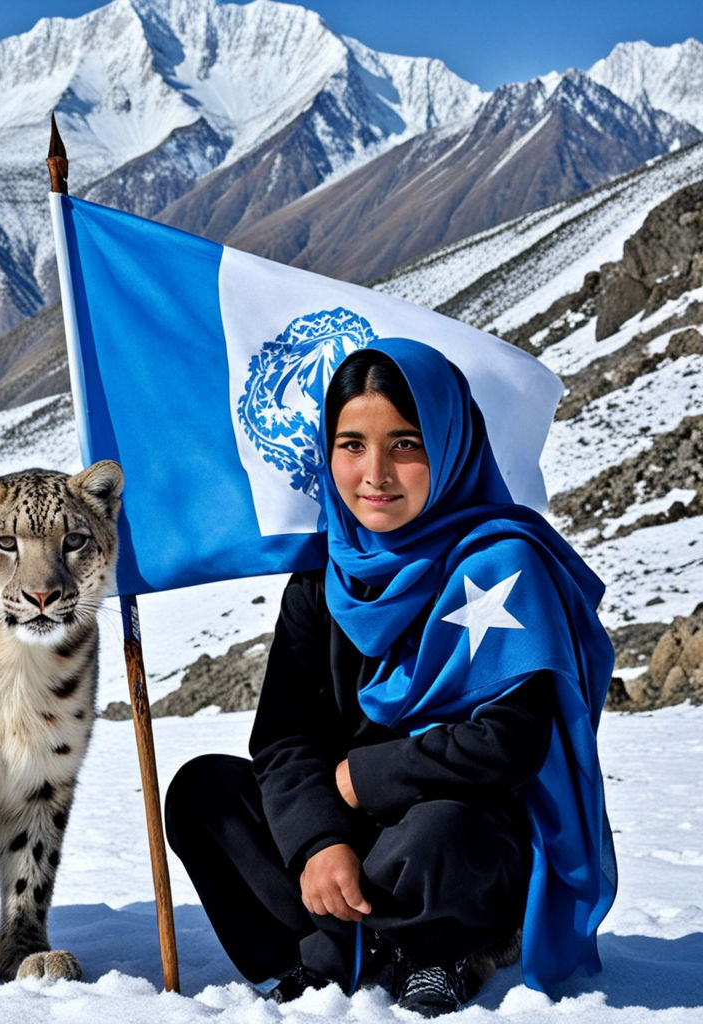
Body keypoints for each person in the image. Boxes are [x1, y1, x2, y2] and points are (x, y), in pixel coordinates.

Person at [165, 338, 616, 1017]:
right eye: (351, 445)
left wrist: (366, 777)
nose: (374, 474)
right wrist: (319, 842)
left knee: (441, 833)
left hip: (456, 843)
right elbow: (286, 741)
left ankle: (440, 951)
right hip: (353, 837)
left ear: (450, 444)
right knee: (204, 793)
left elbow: (511, 741)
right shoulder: (323, 582)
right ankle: (328, 948)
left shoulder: (500, 568)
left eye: (405, 444)